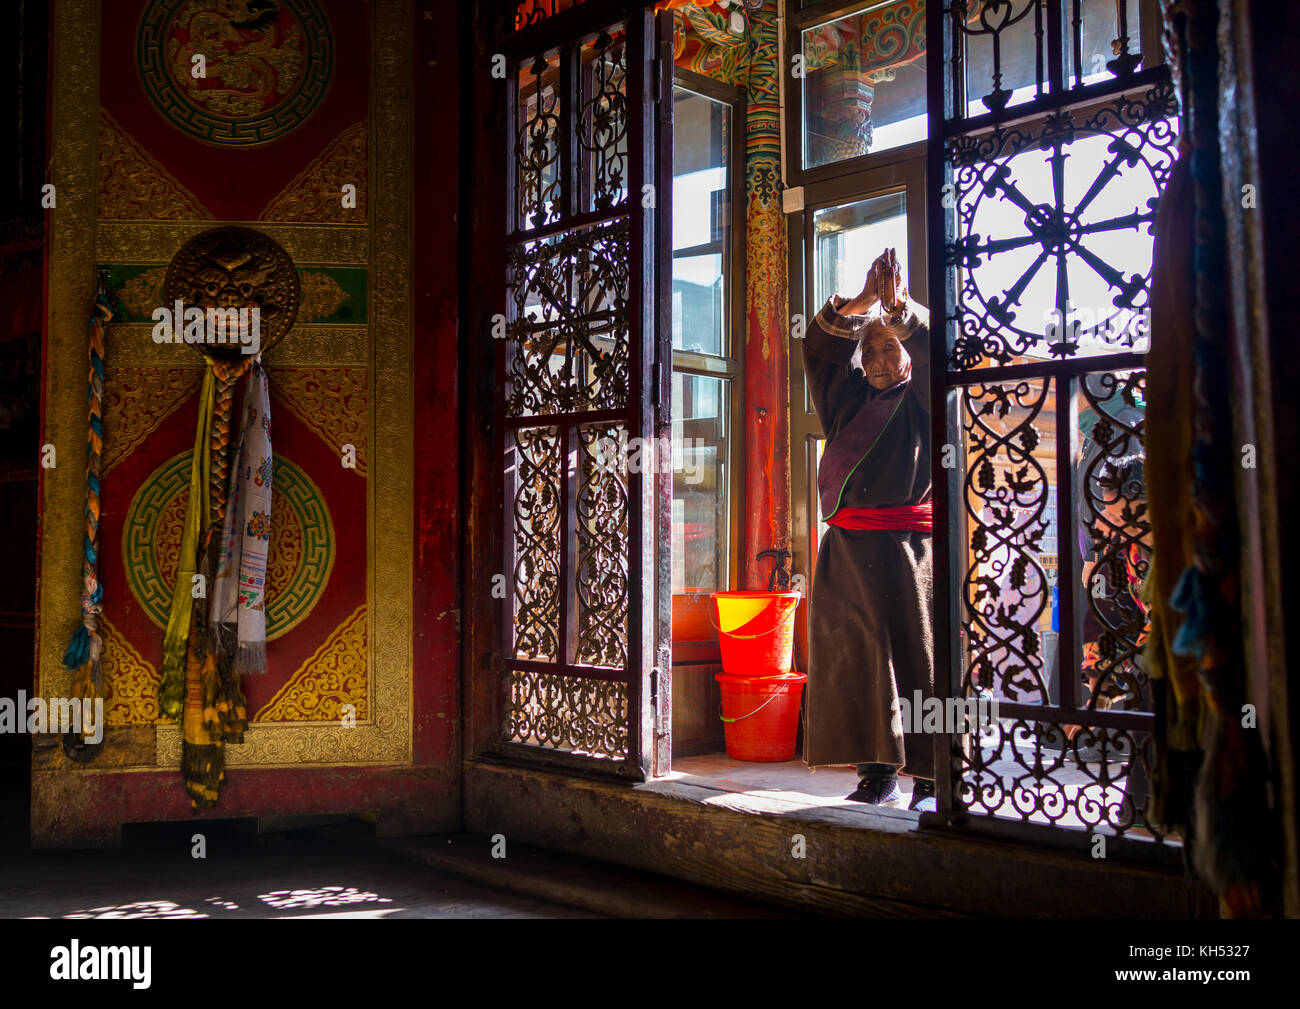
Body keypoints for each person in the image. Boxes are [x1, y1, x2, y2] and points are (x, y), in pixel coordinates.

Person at [801, 248, 937, 810]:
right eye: (871, 348)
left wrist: (901, 308)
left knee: (922, 660)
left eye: (890, 345)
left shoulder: (925, 399)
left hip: (910, 552)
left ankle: (933, 779)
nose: (879, 357)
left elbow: (939, 350)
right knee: (857, 661)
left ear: (907, 353)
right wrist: (861, 303)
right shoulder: (846, 402)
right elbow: (818, 348)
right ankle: (876, 772)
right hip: (847, 553)